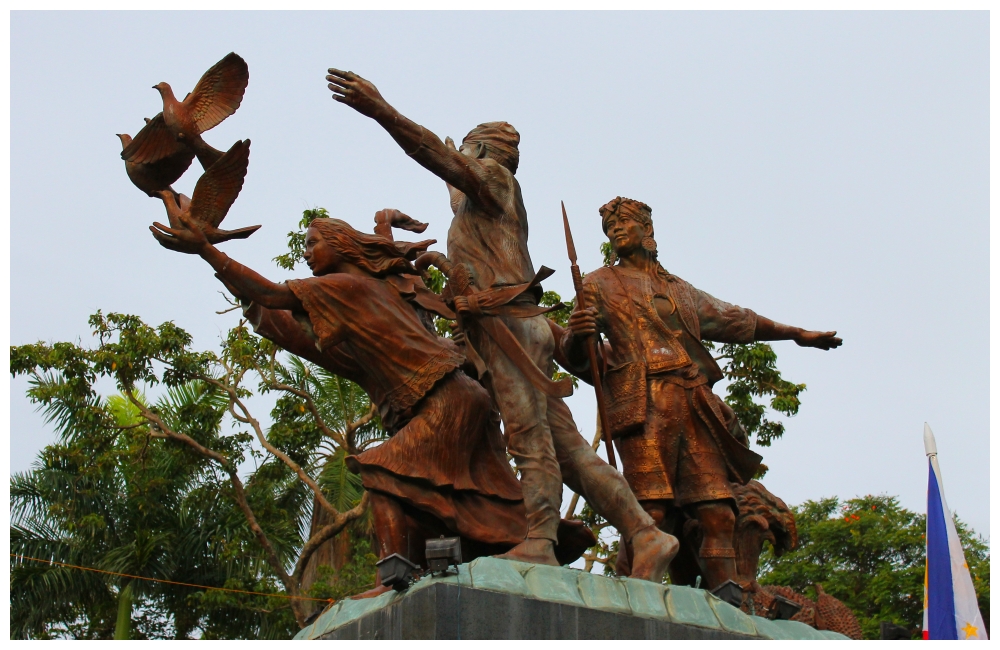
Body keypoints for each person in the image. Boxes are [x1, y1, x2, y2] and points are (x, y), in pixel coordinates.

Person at [324, 69, 677, 579]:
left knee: (528, 438)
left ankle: (539, 539)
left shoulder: (496, 181)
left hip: (510, 328)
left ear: (484, 155)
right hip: (509, 329)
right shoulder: (480, 201)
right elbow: (453, 176)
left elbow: (441, 158)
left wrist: (383, 110)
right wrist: (452, 175)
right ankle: (646, 534)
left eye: (468, 152)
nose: (460, 163)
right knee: (572, 453)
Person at [149, 212, 594, 597]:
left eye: (312, 242)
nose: (305, 252)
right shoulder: (365, 300)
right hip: (455, 400)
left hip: (447, 398)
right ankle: (516, 541)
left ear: (341, 245)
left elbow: (272, 295)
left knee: (382, 468)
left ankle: (392, 578)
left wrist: (207, 250)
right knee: (443, 500)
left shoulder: (348, 287)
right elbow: (288, 328)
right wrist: (239, 288)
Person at [560, 197, 842, 589]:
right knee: (651, 511)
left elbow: (735, 320)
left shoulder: (680, 290)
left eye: (624, 223)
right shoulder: (598, 283)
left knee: (717, 511)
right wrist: (579, 331)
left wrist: (796, 334)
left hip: (693, 401)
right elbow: (578, 358)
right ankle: (635, 591)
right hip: (642, 404)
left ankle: (729, 600)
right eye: (610, 229)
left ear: (648, 229)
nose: (616, 231)